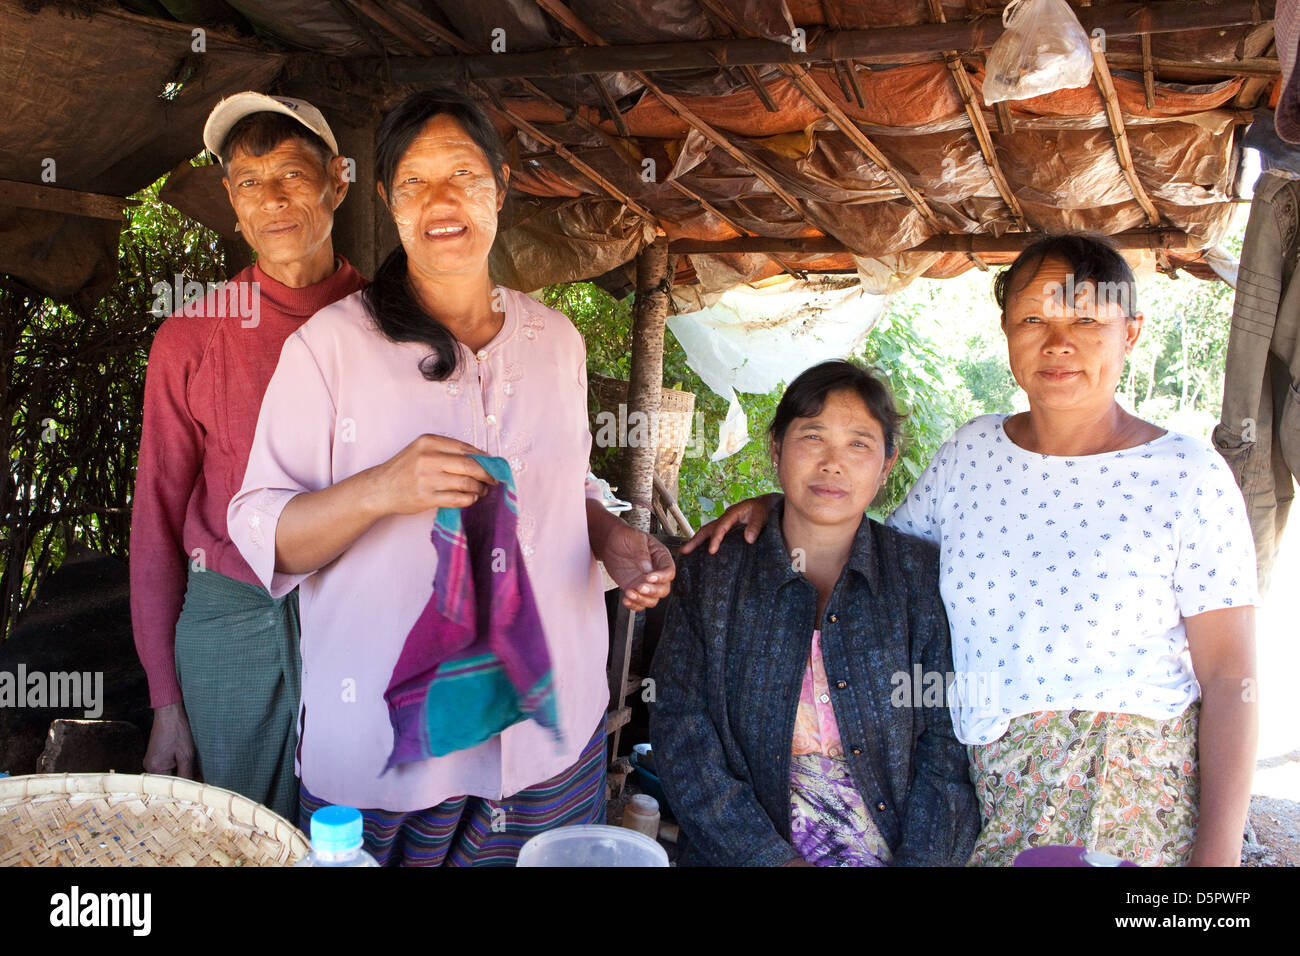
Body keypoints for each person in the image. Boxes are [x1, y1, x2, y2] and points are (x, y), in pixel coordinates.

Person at [684, 235, 1259, 867]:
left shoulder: (1186, 475)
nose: (1058, 341)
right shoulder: (972, 455)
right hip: (994, 794)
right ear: (1008, 331)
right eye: (1033, 318)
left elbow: (1232, 678)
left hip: (1128, 794)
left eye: (1087, 318)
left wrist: (1218, 859)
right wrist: (778, 507)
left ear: (1131, 331)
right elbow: (867, 545)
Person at [226, 88, 674, 866]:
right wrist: (380, 489)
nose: (441, 201)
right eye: (414, 183)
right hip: (392, 751)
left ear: (500, 188)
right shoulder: (330, 349)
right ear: (386, 202)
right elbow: (270, 537)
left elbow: (564, 489)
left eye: (463, 176)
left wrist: (616, 539)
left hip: (547, 735)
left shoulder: (555, 342)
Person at [130, 93, 362, 820]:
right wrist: (166, 700)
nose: (274, 200)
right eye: (250, 182)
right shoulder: (192, 337)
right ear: (231, 202)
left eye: (293, 174)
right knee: (238, 831)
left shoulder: (391, 322)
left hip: (359, 609)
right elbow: (157, 519)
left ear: (338, 181)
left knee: (355, 825)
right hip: (230, 618)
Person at [649, 361, 979, 866]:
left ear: (887, 465)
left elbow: (946, 747)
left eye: (859, 444)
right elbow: (682, 731)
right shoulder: (715, 574)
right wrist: (770, 859)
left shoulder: (918, 580)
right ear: (777, 449)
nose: (832, 464)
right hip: (744, 852)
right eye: (813, 437)